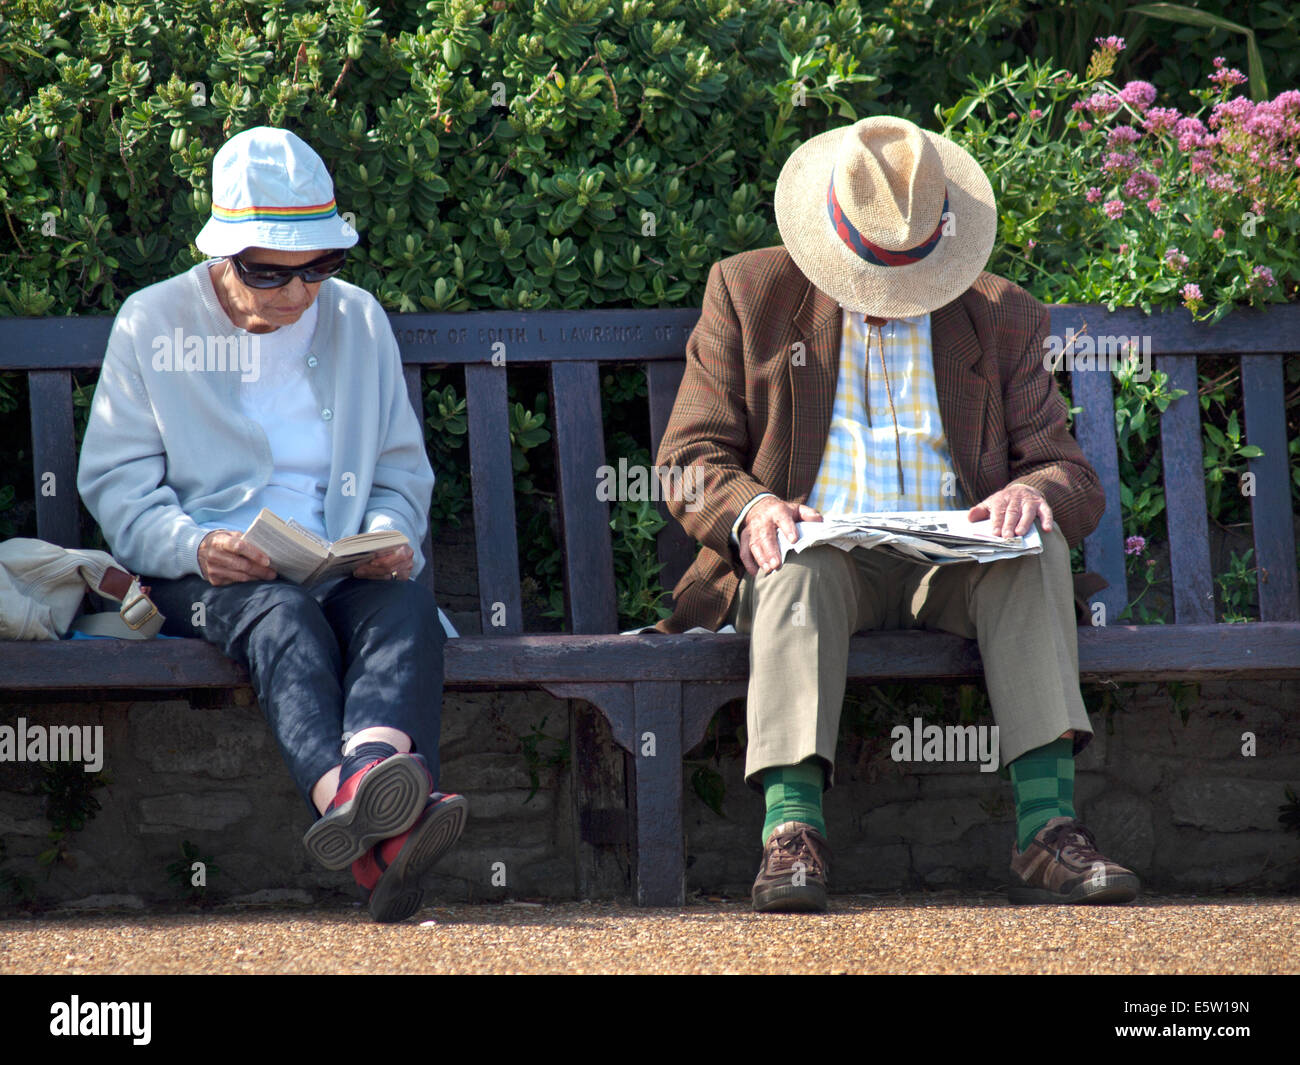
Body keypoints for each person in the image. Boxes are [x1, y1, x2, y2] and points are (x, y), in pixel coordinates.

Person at [655, 115, 1139, 912]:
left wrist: (1034, 493)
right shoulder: (749, 292)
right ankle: (792, 834)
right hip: (825, 556)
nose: (886, 296)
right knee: (793, 556)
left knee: (1033, 548)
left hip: (955, 562)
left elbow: (1070, 474)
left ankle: (1049, 829)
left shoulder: (1001, 312)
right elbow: (687, 459)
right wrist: (755, 507)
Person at [77, 126, 466, 922]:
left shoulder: (358, 320)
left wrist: (391, 532)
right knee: (280, 614)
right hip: (209, 574)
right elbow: (117, 485)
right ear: (223, 255)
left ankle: (367, 807)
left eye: (317, 269)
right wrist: (196, 545)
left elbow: (399, 469)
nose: (295, 294)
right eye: (269, 273)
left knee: (406, 605)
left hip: (341, 562)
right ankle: (375, 822)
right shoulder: (152, 322)